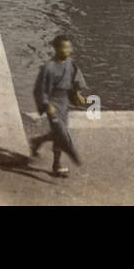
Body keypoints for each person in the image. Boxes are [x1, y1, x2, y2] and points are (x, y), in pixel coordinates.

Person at [32, 35, 90, 177]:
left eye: (69, 47)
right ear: (56, 48)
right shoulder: (49, 67)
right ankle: (56, 165)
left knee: (59, 131)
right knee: (62, 134)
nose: (68, 50)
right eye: (64, 48)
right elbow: (40, 89)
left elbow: (76, 81)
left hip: (64, 102)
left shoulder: (71, 64)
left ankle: (38, 141)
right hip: (53, 102)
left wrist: (77, 94)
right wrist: (46, 104)